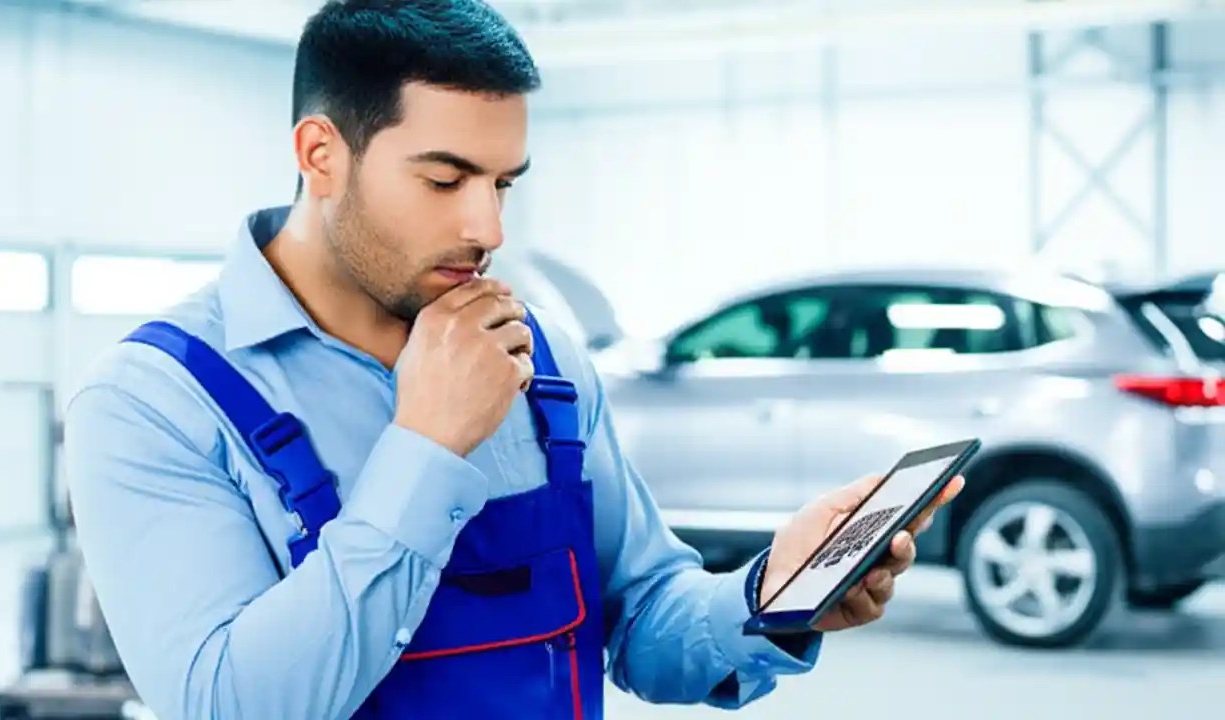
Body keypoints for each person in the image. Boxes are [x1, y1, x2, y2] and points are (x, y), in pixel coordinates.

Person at [63, 2, 964, 719]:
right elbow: (232, 705)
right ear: (321, 155)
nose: (488, 229)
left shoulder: (547, 361)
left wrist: (767, 595)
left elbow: (643, 619)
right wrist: (426, 447)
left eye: (503, 183)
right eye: (445, 179)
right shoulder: (154, 404)